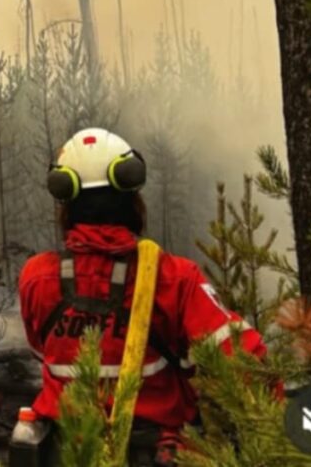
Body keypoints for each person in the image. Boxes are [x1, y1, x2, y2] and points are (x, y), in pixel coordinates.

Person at [18, 128, 271, 465]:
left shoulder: (38, 277)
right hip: (155, 452)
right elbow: (245, 363)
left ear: (67, 205)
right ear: (132, 200)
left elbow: (42, 350)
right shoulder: (174, 279)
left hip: (67, 453)